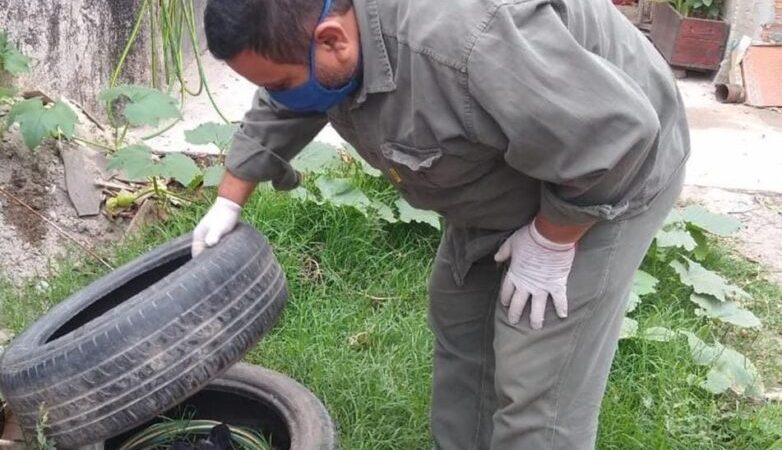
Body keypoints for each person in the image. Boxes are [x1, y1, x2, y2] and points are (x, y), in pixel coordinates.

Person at [195, 0, 689, 448]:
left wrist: (550, 242)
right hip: (507, 156)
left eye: (280, 83)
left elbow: (616, 139)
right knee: (463, 324)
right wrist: (229, 199)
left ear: (333, 39)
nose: (280, 94)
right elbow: (289, 95)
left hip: (606, 170)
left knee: (536, 374)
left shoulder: (464, 40)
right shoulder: (313, 36)